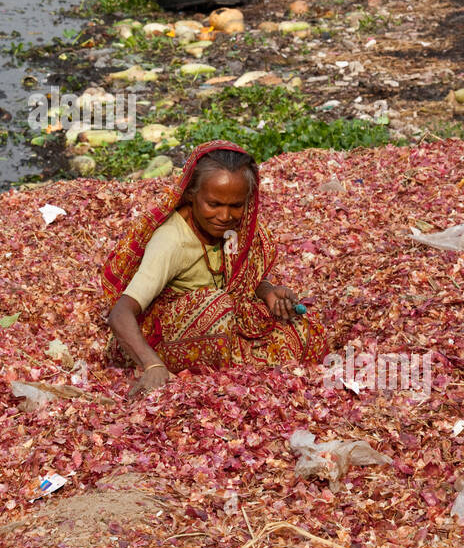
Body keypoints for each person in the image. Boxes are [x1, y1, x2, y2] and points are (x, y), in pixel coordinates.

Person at [102, 141, 329, 398]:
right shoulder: (172, 241)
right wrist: (151, 364)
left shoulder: (234, 231)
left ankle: (243, 367)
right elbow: (120, 313)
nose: (225, 216)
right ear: (190, 195)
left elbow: (239, 279)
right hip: (162, 340)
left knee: (302, 332)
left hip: (223, 330)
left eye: (236, 206)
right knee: (217, 306)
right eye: (214, 204)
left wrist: (266, 292)